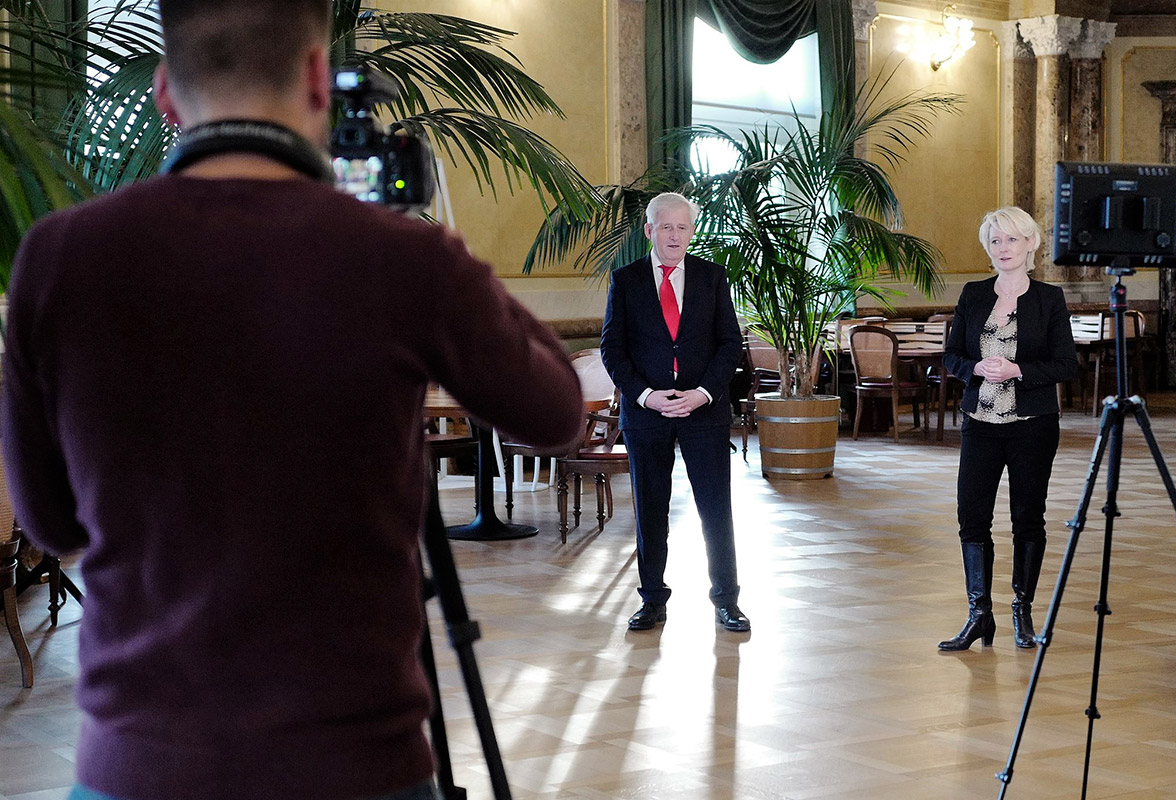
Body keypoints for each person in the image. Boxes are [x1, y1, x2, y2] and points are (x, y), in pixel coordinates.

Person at [0, 2, 584, 799]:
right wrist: (430, 248)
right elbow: (554, 412)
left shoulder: (59, 257)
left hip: (138, 764)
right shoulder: (399, 259)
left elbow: (51, 523)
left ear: (166, 93)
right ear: (318, 78)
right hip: (357, 764)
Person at [600, 192, 749, 633]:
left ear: (691, 232)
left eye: (683, 227)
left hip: (704, 412)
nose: (675, 235)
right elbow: (613, 348)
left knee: (715, 510)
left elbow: (729, 345)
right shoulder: (625, 280)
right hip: (647, 414)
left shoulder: (712, 277)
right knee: (651, 510)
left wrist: (703, 392)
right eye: (666, 227)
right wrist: (646, 395)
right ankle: (652, 600)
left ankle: (727, 600)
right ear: (649, 231)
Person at [939, 206, 1077, 652]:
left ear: (1030, 244)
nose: (1003, 248)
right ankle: (979, 614)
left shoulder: (1048, 299)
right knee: (972, 517)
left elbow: (1065, 364)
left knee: (1027, 518)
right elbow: (952, 355)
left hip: (1032, 425)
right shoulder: (974, 294)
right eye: (995, 241)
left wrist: (1018, 369)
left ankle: (1022, 610)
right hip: (980, 422)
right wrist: (975, 366)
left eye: (1012, 240)